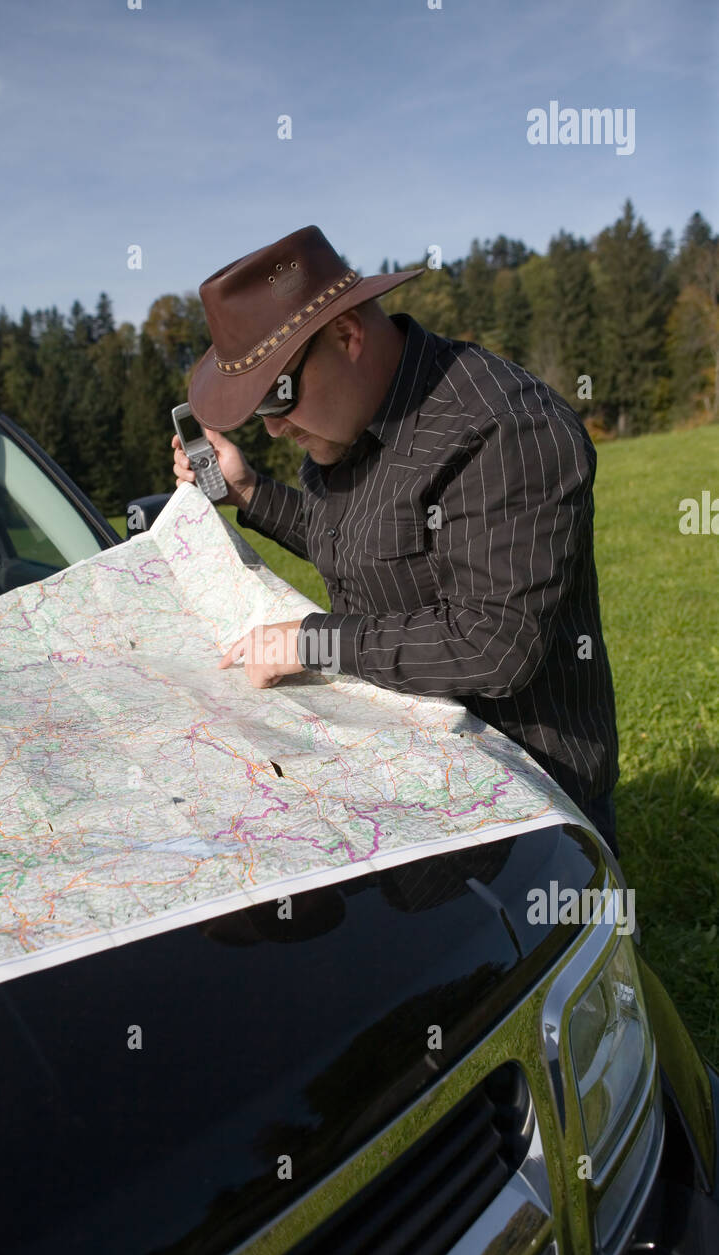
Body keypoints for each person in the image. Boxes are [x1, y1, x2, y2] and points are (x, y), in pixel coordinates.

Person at [171, 225, 620, 858]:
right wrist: (246, 493)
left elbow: (492, 645)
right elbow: (361, 547)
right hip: (408, 779)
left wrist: (311, 641)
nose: (273, 429)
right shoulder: (340, 424)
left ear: (347, 335)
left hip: (526, 800)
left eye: (278, 396)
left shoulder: (502, 428)